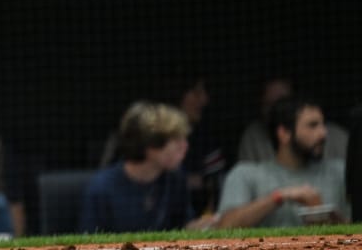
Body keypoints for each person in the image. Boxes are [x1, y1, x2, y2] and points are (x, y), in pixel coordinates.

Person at [216, 96, 350, 227]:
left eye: (323, 124)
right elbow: (225, 227)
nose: (323, 133)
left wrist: (322, 216)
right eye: (312, 125)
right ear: (284, 133)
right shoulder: (246, 174)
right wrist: (279, 196)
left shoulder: (340, 172)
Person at [81, 102, 204, 232]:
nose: (184, 146)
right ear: (151, 145)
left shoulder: (175, 180)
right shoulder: (102, 189)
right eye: (176, 140)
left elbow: (183, 227)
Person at [239, 79, 351, 166]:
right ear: (284, 132)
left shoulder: (337, 169)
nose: (323, 133)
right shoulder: (250, 174)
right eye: (269, 105)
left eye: (283, 102)